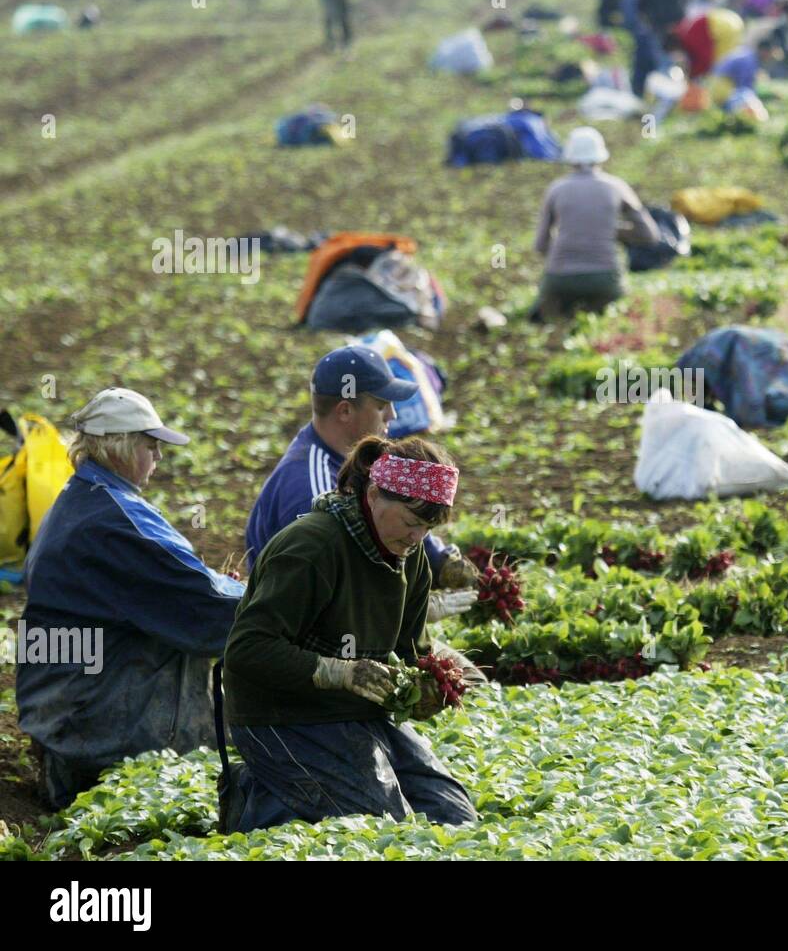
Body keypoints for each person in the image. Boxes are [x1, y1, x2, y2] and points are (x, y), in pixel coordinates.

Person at [220, 435, 478, 832]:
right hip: (280, 715)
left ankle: (298, 789)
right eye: (410, 522)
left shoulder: (410, 559)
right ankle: (261, 796)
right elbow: (246, 651)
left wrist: (425, 688)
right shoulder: (311, 548)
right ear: (374, 494)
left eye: (426, 529)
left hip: (356, 713)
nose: (416, 539)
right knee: (383, 827)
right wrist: (337, 672)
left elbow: (411, 652)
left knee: (454, 817)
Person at [18, 388, 243, 808]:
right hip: (94, 724)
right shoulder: (116, 519)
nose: (158, 456)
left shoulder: (80, 498)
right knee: (184, 636)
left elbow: (172, 581)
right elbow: (205, 609)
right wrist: (259, 596)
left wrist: (215, 586)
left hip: (58, 708)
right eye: (150, 444)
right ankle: (165, 764)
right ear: (118, 446)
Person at [245, 346, 474, 592]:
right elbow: (326, 586)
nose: (392, 415)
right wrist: (399, 606)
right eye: (381, 405)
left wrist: (438, 558)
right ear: (345, 410)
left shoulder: (358, 457)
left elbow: (402, 510)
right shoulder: (310, 487)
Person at [530, 127, 658, 321]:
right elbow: (649, 235)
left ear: (570, 158)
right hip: (605, 278)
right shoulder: (616, 186)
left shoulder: (556, 189)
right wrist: (612, 232)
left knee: (547, 317)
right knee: (610, 315)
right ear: (601, 156)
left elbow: (540, 246)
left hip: (560, 279)